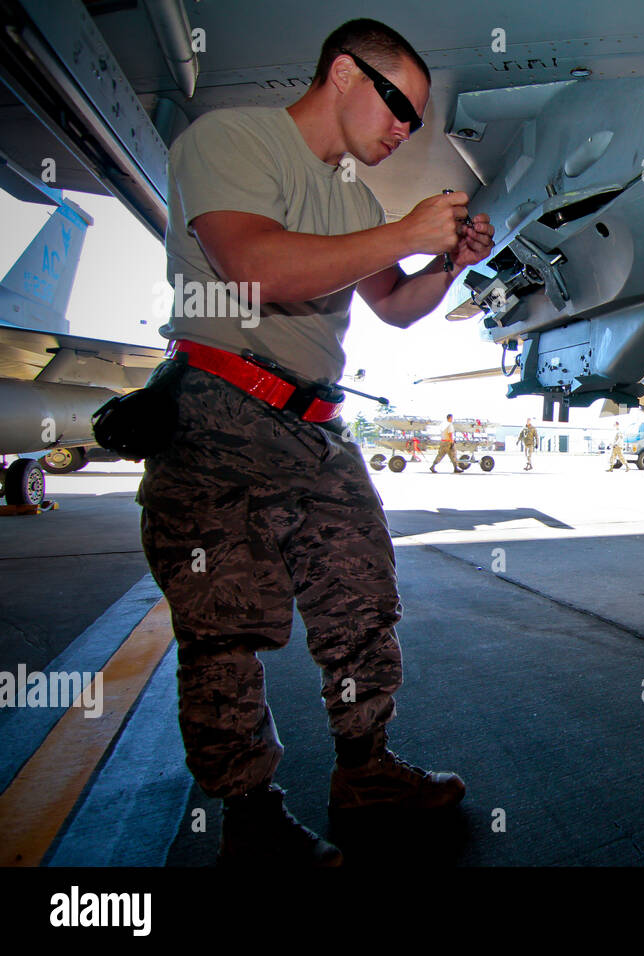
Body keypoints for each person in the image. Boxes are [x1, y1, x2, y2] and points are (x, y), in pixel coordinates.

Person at [136, 18, 495, 866]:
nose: (405, 129)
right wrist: (409, 233)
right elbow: (257, 269)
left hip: (316, 428)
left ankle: (365, 770)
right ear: (343, 72)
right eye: (398, 105)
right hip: (223, 410)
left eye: (416, 118)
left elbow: (396, 308)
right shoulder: (229, 139)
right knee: (228, 626)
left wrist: (449, 265)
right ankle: (252, 820)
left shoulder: (354, 199)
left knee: (362, 605)